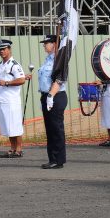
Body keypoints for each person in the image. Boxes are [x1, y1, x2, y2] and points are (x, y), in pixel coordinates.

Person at [38, 33, 67, 169]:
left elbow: (59, 79)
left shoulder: (59, 59)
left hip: (55, 96)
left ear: (55, 44)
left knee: (56, 129)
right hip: (46, 96)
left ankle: (58, 159)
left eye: (47, 43)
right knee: (50, 129)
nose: (44, 45)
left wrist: (50, 96)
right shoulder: (48, 59)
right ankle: (52, 158)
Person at [0, 38, 27, 158]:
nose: (2, 51)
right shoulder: (0, 65)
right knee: (8, 126)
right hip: (2, 100)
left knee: (15, 126)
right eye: (0, 50)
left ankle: (18, 149)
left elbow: (22, 79)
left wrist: (7, 83)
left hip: (11, 100)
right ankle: (12, 148)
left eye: (4, 49)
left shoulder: (14, 65)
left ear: (9, 49)